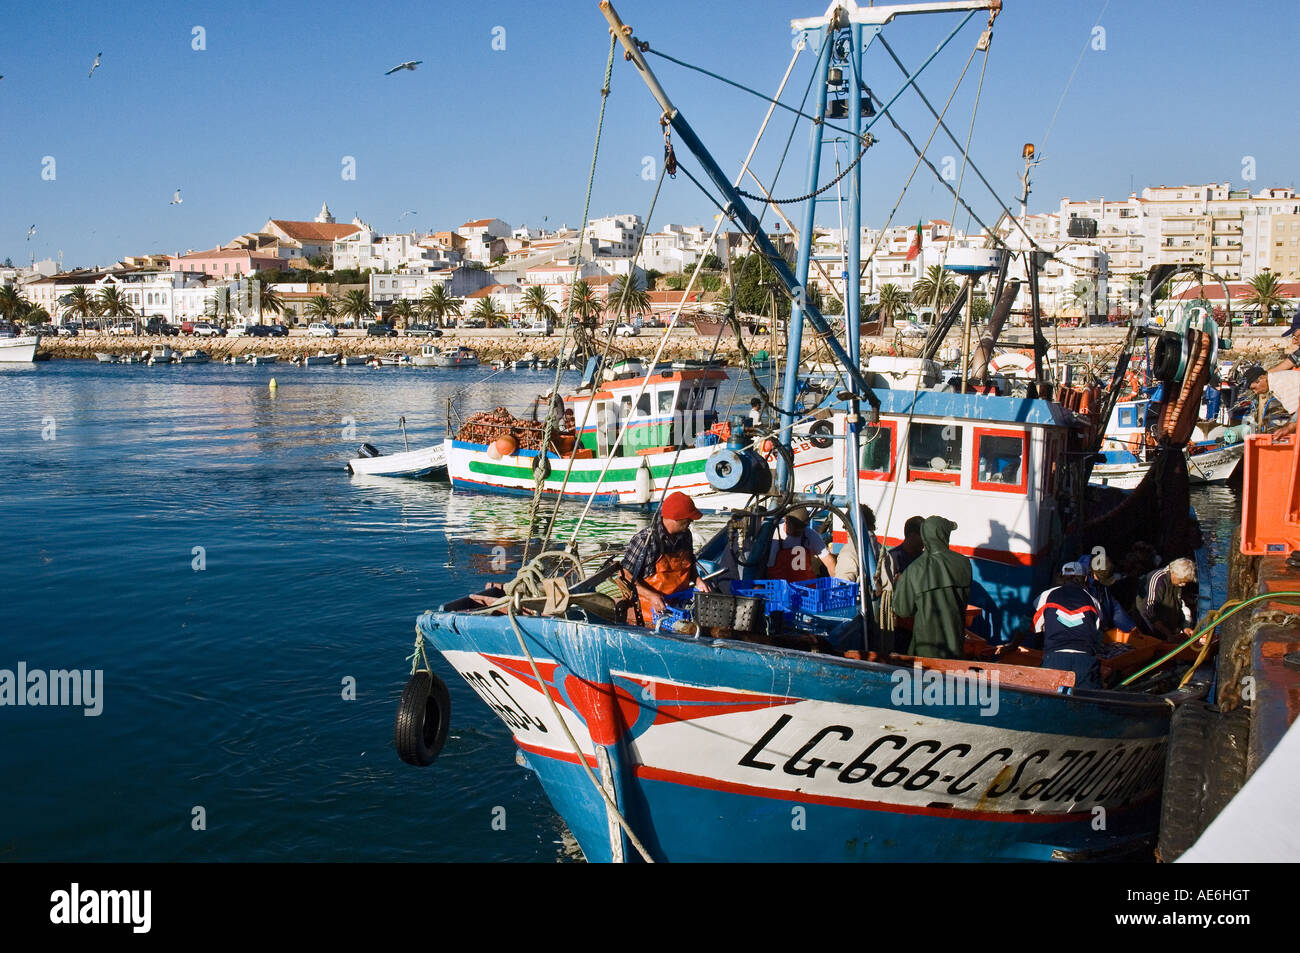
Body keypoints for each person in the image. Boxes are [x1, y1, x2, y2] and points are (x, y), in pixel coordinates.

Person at [620, 491, 709, 627]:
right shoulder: (645, 540)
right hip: (650, 615)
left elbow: (690, 565)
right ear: (676, 518)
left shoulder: (686, 535)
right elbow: (625, 576)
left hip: (679, 607)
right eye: (688, 520)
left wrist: (698, 580)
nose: (690, 523)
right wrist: (651, 596)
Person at [890, 516, 972, 660]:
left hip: (925, 650)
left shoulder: (914, 569)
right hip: (955, 648)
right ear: (944, 535)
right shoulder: (964, 563)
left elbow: (902, 610)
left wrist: (899, 585)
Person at [1033, 563, 1103, 689]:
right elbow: (1097, 633)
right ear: (1085, 578)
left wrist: (1013, 646)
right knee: (1088, 705)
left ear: (1061, 576)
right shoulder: (1093, 601)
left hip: (1054, 659)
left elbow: (1033, 627)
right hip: (1085, 661)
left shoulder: (1046, 596)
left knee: (1050, 703)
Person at [767, 506, 836, 583]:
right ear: (786, 520)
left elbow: (830, 562)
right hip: (778, 588)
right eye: (795, 527)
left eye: (802, 528)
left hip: (805, 589)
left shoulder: (809, 534)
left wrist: (837, 587)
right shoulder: (773, 533)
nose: (799, 531)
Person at [1136, 557, 1197, 642]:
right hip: (1151, 633)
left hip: (1169, 630)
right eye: (1181, 581)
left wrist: (1185, 627)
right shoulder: (1157, 579)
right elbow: (1148, 610)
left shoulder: (1177, 582)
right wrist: (1167, 634)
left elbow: (1178, 606)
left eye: (1185, 582)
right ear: (1174, 573)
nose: (1183, 585)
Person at [1242, 365, 1295, 435]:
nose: (1256, 392)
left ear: (1262, 378)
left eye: (1254, 388)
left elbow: (1297, 413)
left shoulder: (1280, 385)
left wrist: (1288, 428)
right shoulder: (1276, 381)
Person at [833, 504, 877, 583]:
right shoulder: (881, 549)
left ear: (850, 527)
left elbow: (841, 588)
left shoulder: (848, 553)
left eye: (846, 527)